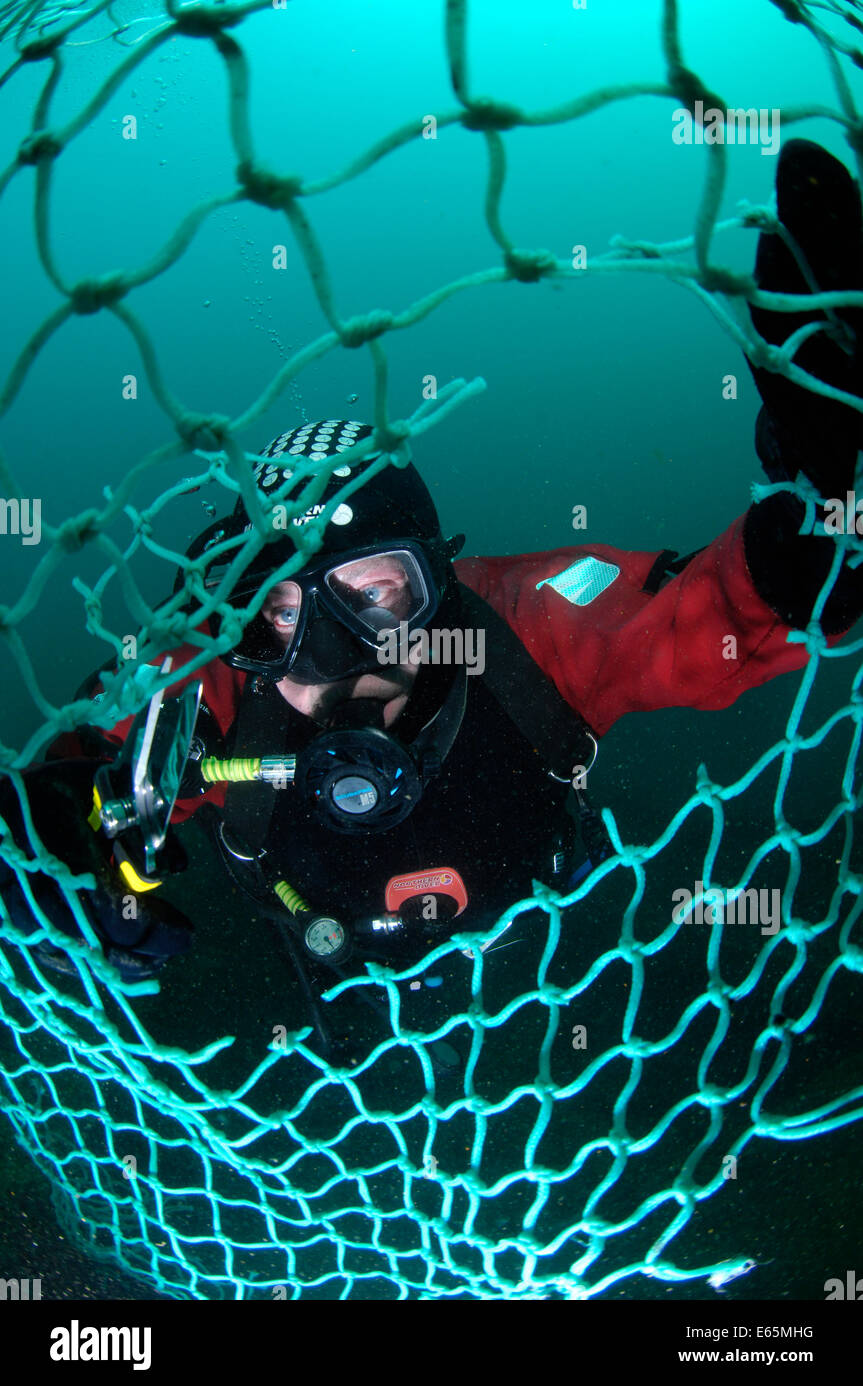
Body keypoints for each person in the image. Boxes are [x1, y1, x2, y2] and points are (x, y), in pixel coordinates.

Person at [3, 139, 862, 1027]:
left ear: (439, 583)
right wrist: (52, 838)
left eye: (376, 596)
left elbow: (714, 622)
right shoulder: (210, 686)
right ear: (233, 617)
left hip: (531, 961)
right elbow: (89, 759)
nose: (330, 662)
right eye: (280, 615)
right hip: (323, 978)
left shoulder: (519, 634)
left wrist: (817, 525)